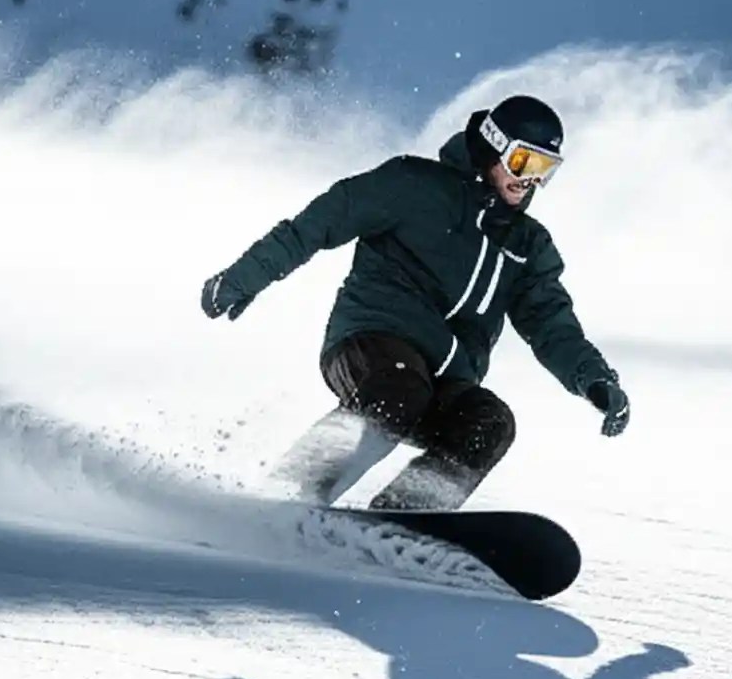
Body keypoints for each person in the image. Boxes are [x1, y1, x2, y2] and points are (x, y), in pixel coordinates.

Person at [200, 94, 630, 511]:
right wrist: (243, 278)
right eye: (524, 162)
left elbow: (552, 325)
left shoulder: (526, 245)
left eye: (545, 169)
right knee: (399, 389)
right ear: (494, 147)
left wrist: (593, 380)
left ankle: (405, 517)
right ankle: (293, 492)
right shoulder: (414, 186)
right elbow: (320, 222)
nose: (530, 179)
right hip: (371, 341)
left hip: (447, 376)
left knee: (490, 422)